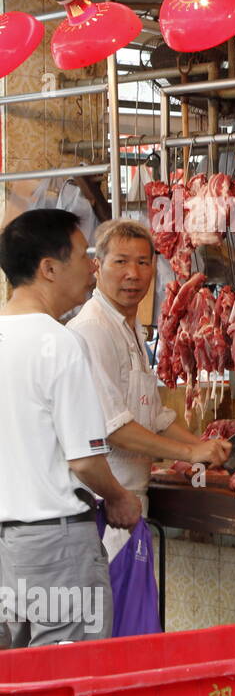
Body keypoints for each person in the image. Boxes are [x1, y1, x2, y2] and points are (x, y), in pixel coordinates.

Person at [0, 209, 140, 647]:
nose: (92, 267)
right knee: (68, 677)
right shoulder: (58, 342)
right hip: (55, 545)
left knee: (16, 683)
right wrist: (119, 497)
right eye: (84, 255)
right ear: (48, 268)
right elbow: (84, 460)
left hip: (6, 547)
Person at [68, 219, 231, 558]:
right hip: (98, 509)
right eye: (121, 262)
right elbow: (113, 428)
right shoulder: (93, 330)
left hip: (127, 503)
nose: (133, 273)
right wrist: (189, 454)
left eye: (143, 263)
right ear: (98, 267)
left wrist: (204, 446)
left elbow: (153, 414)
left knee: (128, 608)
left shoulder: (130, 329)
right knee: (109, 608)